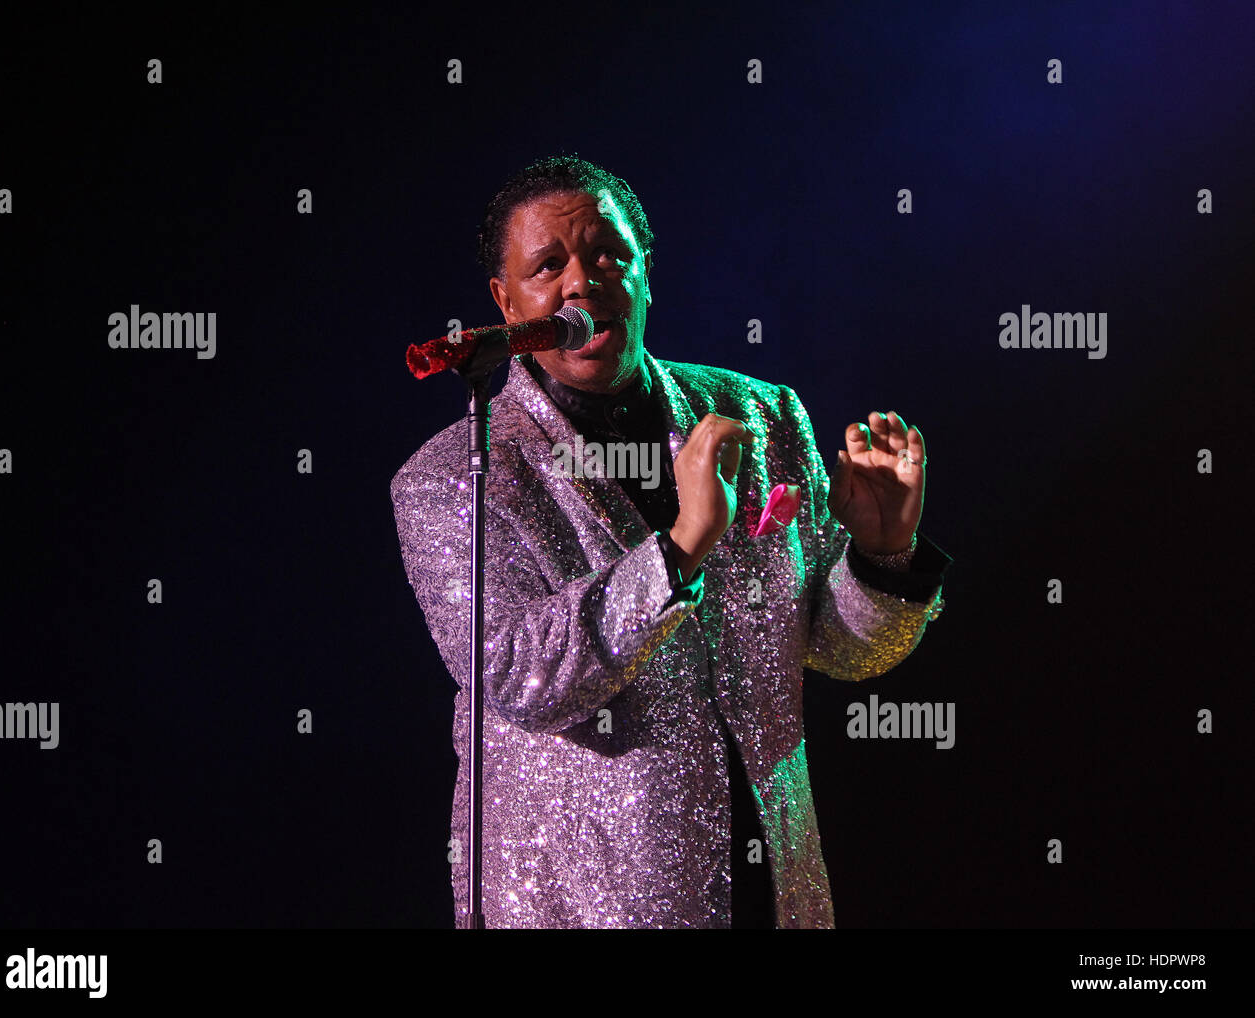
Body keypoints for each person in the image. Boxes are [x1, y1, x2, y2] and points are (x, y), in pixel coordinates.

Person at [391, 155, 952, 928]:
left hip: (773, 889)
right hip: (590, 901)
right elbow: (519, 681)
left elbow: (842, 650)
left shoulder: (761, 415)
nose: (580, 282)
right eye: (547, 266)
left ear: (646, 273)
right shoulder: (453, 475)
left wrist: (883, 555)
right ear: (505, 300)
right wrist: (680, 547)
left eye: (607, 255)